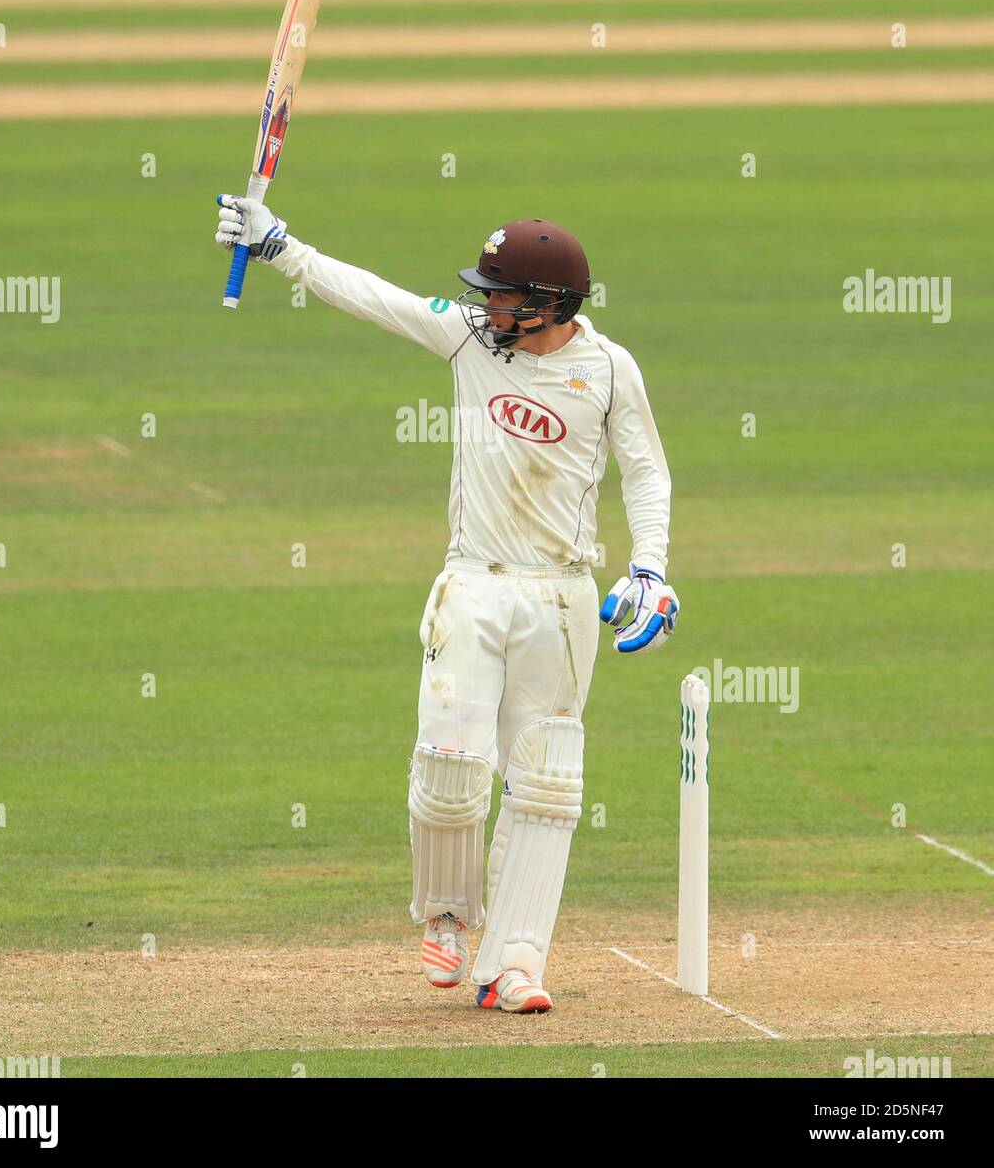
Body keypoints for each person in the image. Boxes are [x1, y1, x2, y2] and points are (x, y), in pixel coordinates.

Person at [215, 199, 679, 1013]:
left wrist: (649, 568)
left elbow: (644, 472)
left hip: (563, 597)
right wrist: (281, 246)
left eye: (503, 296)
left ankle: (516, 964)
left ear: (552, 304)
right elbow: (374, 295)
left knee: (546, 784)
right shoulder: (468, 338)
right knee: (450, 769)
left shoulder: (610, 371)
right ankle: (448, 916)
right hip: (472, 581)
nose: (487, 307)